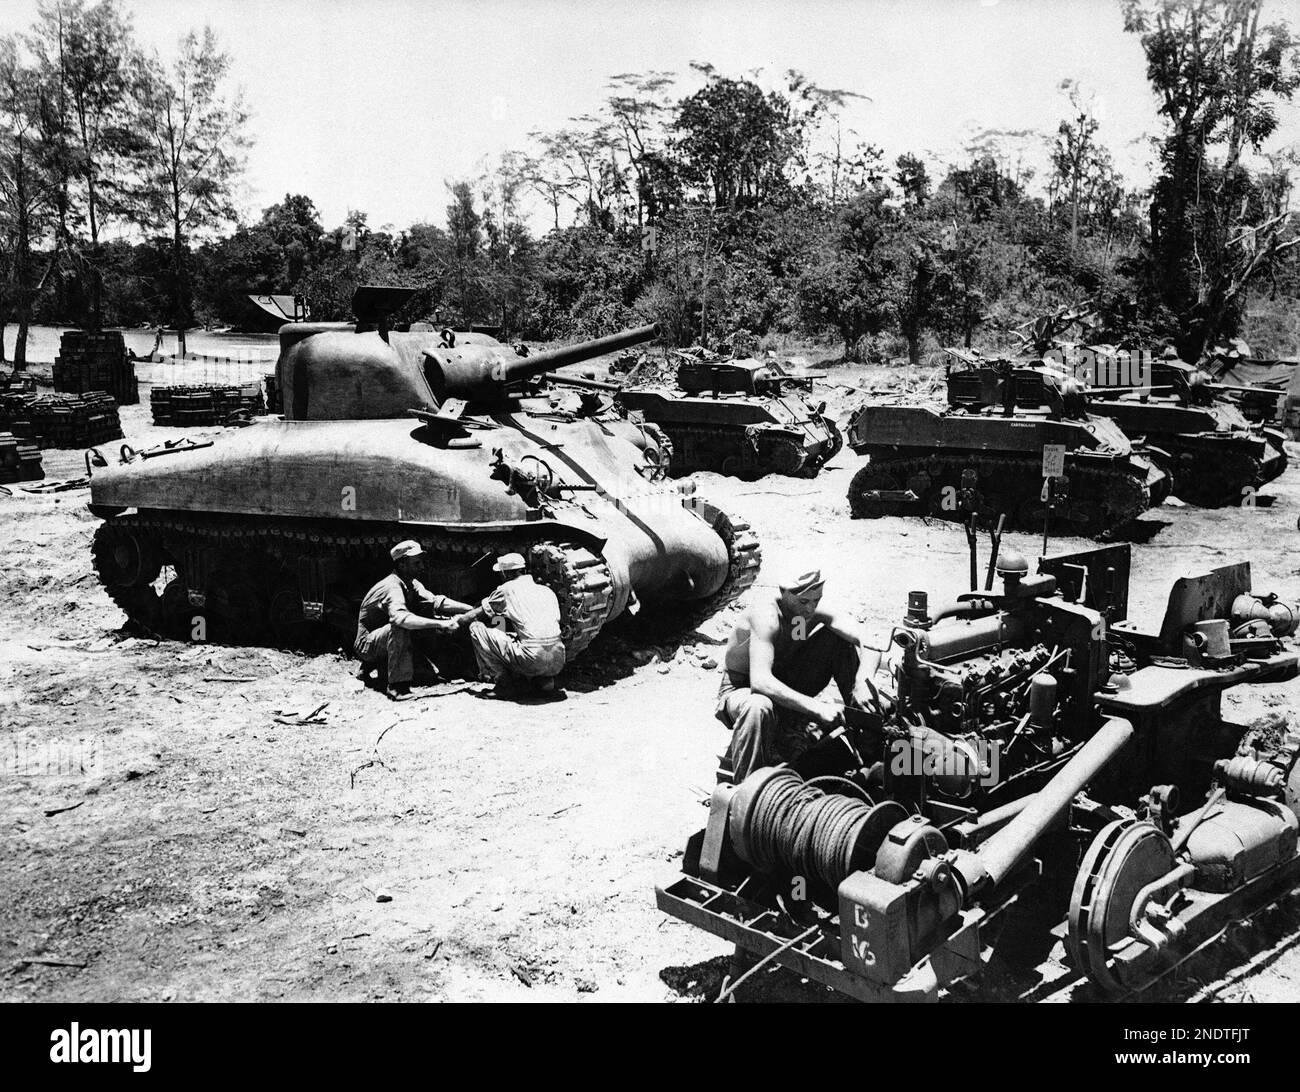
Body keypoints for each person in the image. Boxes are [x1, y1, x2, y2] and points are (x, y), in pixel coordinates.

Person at [716, 565, 880, 782]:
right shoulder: (766, 617)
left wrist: (863, 679)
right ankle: (746, 792)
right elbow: (760, 682)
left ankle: (868, 750)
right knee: (758, 706)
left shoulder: (800, 614)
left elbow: (870, 640)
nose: (811, 609)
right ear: (784, 593)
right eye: (804, 601)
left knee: (838, 641)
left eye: (816, 600)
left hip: (783, 676)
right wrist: (817, 708)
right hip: (743, 689)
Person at [355, 541, 472, 700]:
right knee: (401, 626)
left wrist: (470, 609)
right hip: (366, 645)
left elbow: (436, 601)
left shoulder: (411, 583)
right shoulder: (392, 586)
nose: (422, 567)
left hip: (381, 639)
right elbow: (401, 619)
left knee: (428, 676)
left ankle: (373, 667)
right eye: (417, 563)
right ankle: (398, 688)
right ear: (402, 565)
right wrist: (442, 623)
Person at [455, 553, 566, 696]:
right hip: (558, 660)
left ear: (504, 573)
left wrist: (457, 621)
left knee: (476, 628)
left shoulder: (506, 589)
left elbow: (476, 615)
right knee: (527, 636)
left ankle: (503, 683)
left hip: (532, 659)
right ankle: (544, 681)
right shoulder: (546, 590)